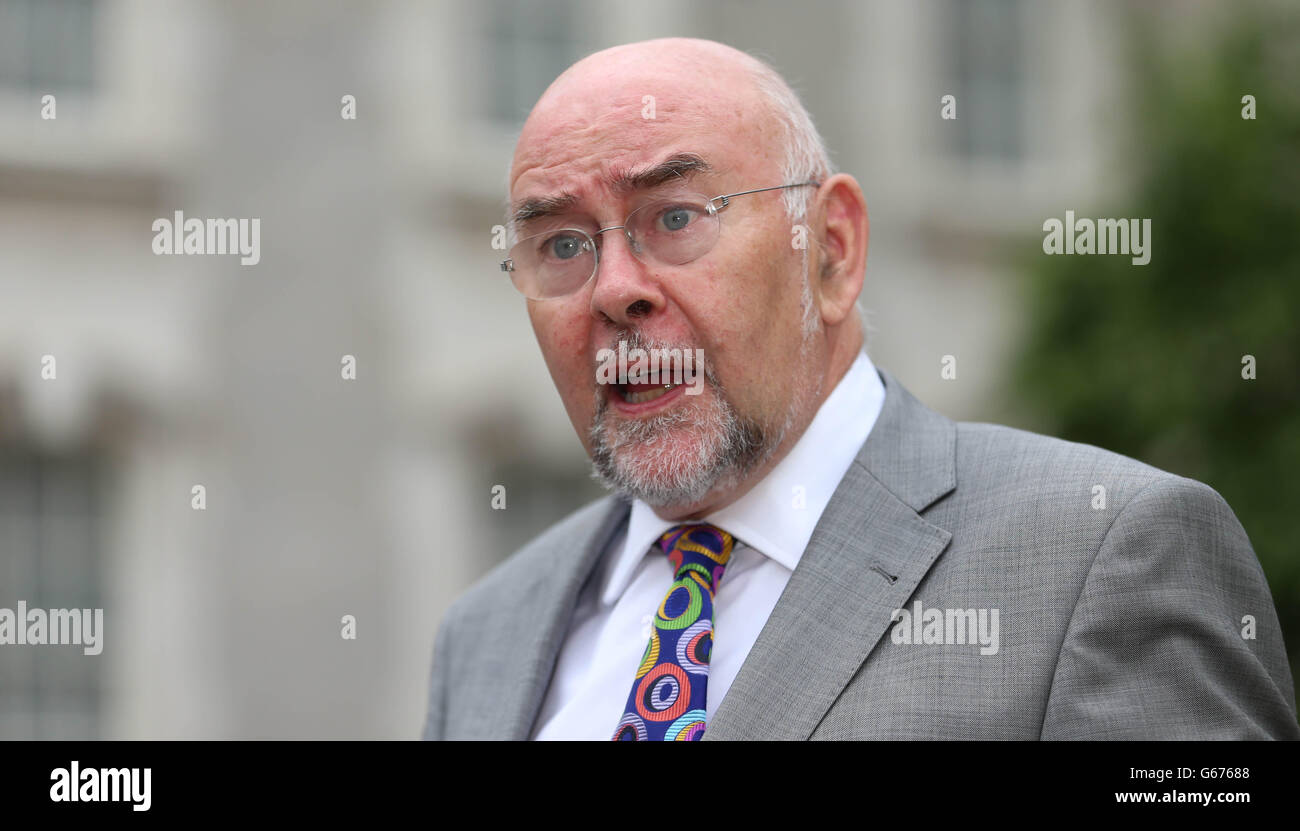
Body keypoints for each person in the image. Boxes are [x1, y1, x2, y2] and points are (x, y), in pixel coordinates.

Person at [422, 37, 1298, 740]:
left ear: (831, 249)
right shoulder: (488, 633)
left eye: (676, 217)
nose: (615, 288)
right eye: (563, 246)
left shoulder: (1107, 558)